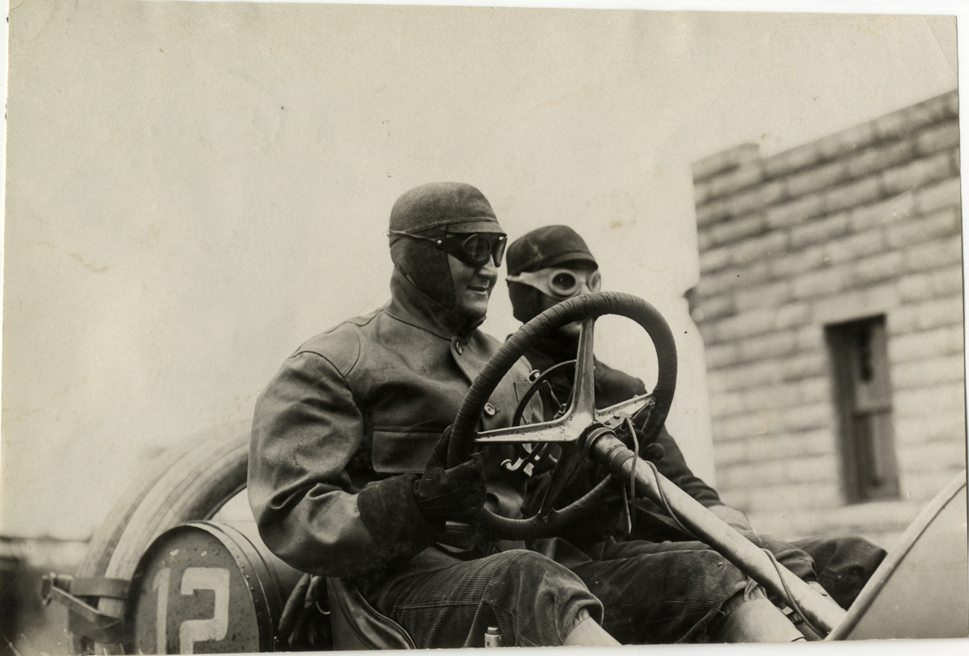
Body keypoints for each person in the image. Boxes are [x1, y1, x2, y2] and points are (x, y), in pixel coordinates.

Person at [249, 183, 810, 649]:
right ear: (411, 252)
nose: (490, 266)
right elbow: (291, 512)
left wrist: (607, 492)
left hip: (530, 579)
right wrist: (413, 504)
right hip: (395, 598)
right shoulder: (335, 364)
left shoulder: (511, 369)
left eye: (497, 247)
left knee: (703, 571)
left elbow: (544, 500)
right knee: (528, 582)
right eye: (472, 247)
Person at [504, 224, 888, 619]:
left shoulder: (624, 390)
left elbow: (677, 478)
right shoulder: (502, 388)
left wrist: (726, 521)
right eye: (565, 282)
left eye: (593, 282)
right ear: (524, 293)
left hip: (647, 543)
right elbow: (515, 508)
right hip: (572, 564)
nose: (585, 297)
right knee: (738, 567)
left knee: (852, 560)